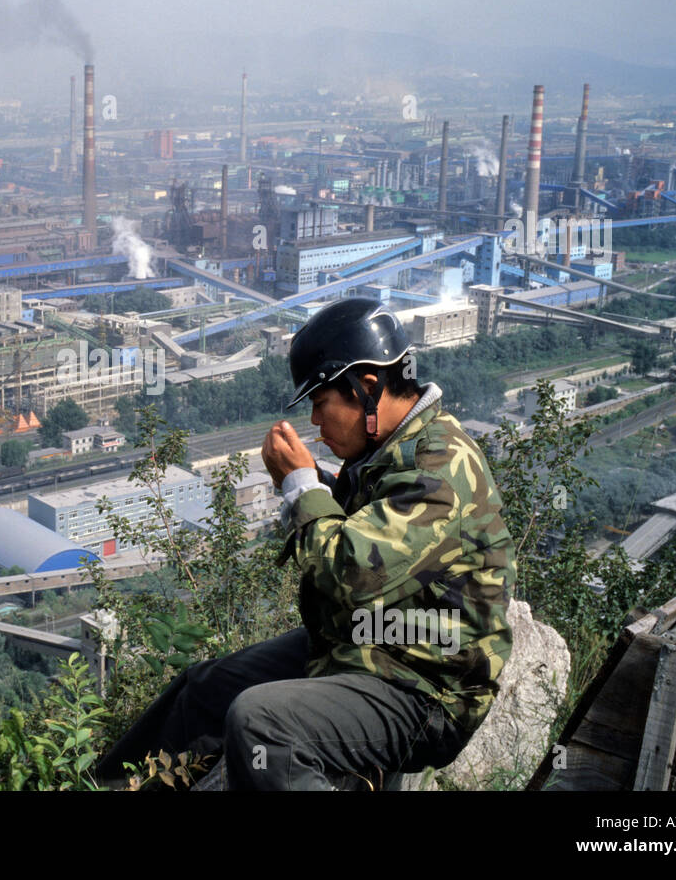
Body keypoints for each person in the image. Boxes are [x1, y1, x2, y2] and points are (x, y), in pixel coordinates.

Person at [93, 297, 516, 790]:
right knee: (204, 688)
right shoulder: (395, 450)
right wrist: (319, 485)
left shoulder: (438, 466)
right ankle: (98, 785)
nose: (316, 423)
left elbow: (350, 575)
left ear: (368, 388)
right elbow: (371, 530)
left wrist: (301, 488)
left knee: (259, 723)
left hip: (428, 687)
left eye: (320, 403)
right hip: (372, 641)